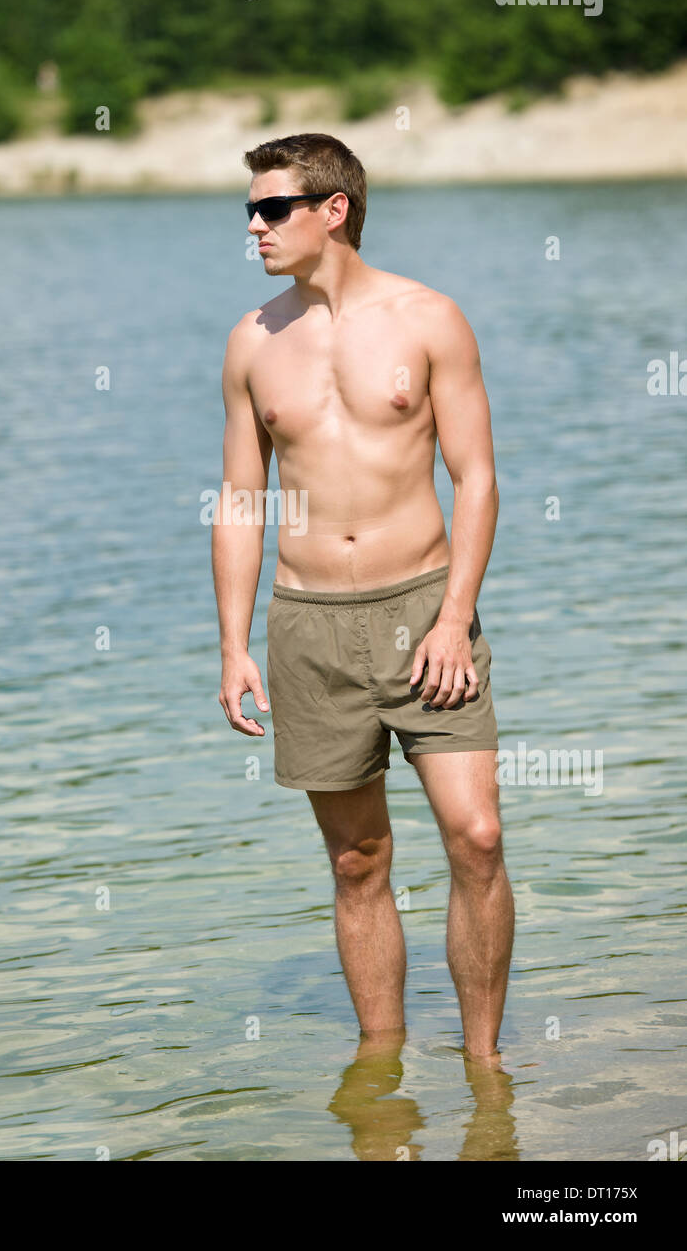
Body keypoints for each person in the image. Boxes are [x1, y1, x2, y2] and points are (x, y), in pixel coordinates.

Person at [212, 131, 514, 1062]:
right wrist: (232, 644)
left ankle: (485, 1069)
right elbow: (240, 500)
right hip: (308, 628)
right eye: (250, 211)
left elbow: (478, 479)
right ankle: (380, 1083)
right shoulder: (252, 342)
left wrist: (456, 618)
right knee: (357, 862)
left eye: (272, 209)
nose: (253, 228)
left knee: (477, 836)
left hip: (425, 611)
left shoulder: (430, 319)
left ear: (332, 210)